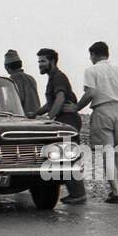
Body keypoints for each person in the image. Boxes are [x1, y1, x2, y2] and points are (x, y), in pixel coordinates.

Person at [75, 40, 118, 203]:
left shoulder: (91, 70)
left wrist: (76, 108)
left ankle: (115, 191)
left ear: (93, 55)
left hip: (102, 111)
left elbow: (90, 93)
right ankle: (116, 188)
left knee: (107, 153)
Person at [34, 47, 85, 204]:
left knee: (68, 156)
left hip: (67, 120)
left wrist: (50, 119)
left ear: (53, 61)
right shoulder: (53, 78)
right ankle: (75, 193)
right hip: (64, 119)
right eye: (39, 61)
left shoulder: (58, 78)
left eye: (43, 61)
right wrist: (35, 114)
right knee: (64, 156)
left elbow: (60, 98)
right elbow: (50, 103)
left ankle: (79, 194)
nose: (40, 65)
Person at [4, 49, 41, 115]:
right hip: (35, 115)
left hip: (23, 116)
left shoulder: (13, 79)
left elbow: (16, 100)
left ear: (7, 67)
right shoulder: (30, 78)